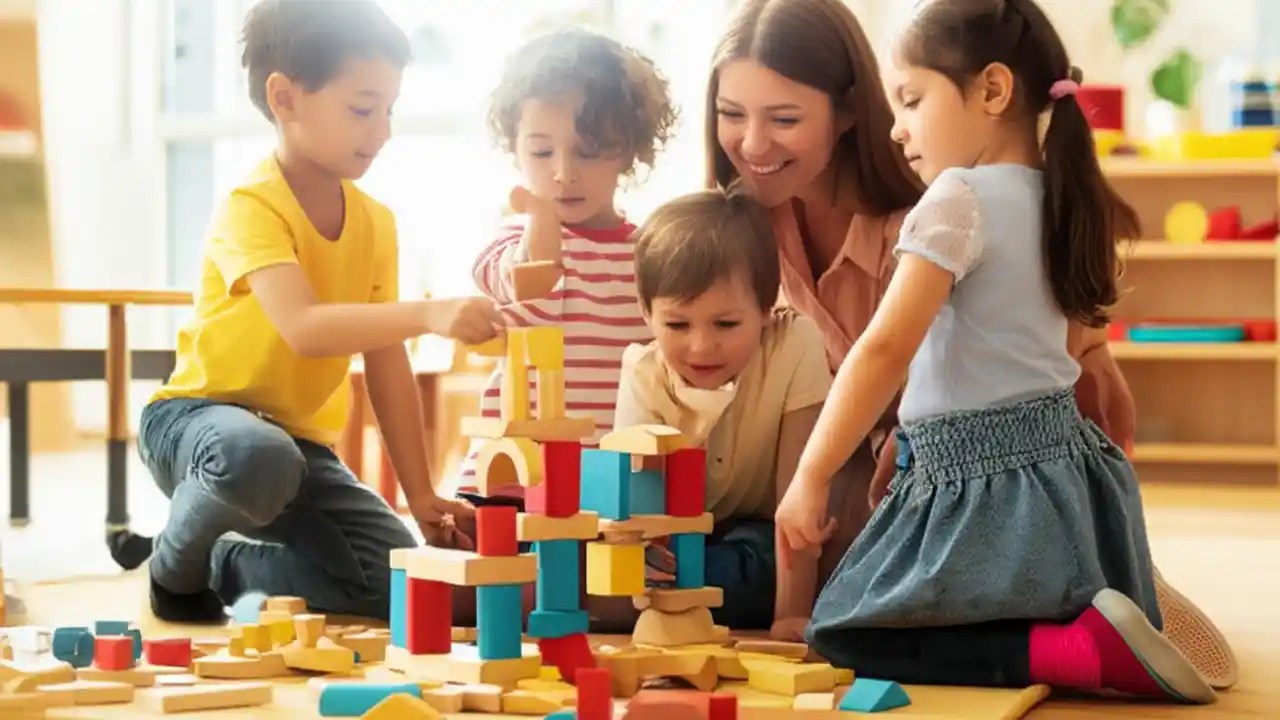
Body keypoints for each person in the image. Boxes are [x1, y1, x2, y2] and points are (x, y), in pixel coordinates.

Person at [706, 0, 1236, 690]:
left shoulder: (956, 197)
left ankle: (1071, 653)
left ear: (991, 90)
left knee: (843, 630)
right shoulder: (1057, 195)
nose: (896, 130)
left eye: (912, 100)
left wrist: (808, 479)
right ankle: (1085, 633)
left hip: (973, 472)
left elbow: (885, 348)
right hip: (1063, 473)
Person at [122, 0, 500, 622]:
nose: (382, 131)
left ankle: (225, 562)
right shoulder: (253, 206)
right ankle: (174, 570)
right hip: (196, 426)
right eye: (362, 108)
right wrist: (429, 313)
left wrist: (423, 493)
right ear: (285, 97)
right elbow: (303, 327)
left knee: (394, 582)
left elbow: (386, 365)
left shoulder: (376, 224)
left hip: (296, 450)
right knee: (257, 456)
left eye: (388, 109)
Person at [457, 27, 677, 502]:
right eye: (541, 152)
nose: (563, 173)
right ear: (514, 150)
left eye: (589, 150)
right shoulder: (512, 240)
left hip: (610, 488)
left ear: (629, 151)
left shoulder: (653, 256)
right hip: (512, 480)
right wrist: (539, 217)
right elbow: (527, 285)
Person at [610, 187, 834, 636]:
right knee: (610, 565)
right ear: (646, 313)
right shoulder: (643, 371)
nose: (701, 346)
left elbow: (798, 500)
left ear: (767, 310)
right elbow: (637, 519)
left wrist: (790, 615)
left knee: (755, 564)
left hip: (759, 535)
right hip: (674, 540)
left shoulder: (796, 343)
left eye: (726, 324)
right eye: (676, 324)